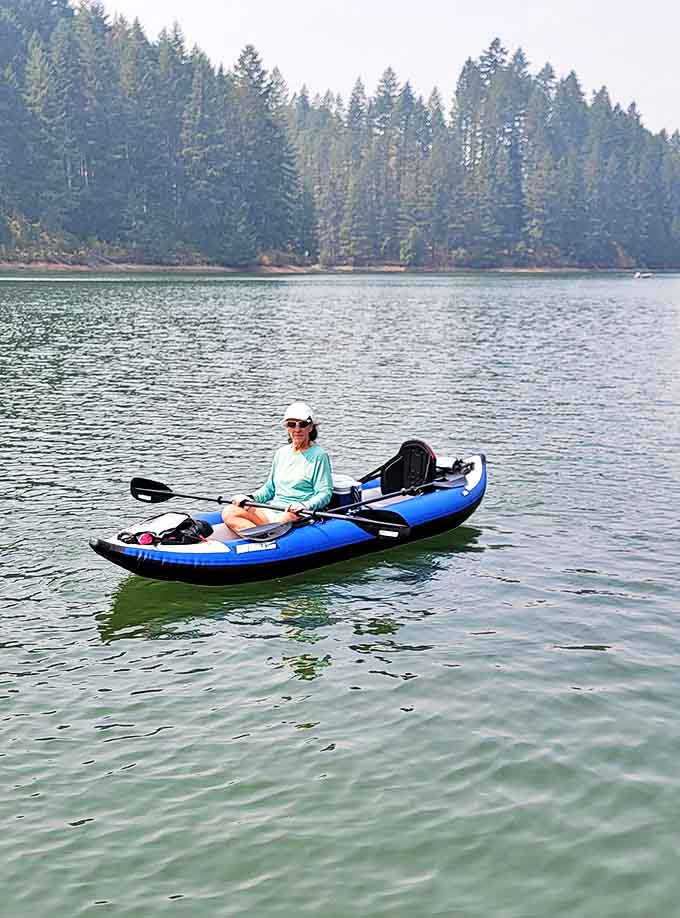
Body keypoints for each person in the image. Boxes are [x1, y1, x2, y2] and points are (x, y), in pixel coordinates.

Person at [222, 401, 333, 534]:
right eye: (292, 424)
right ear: (287, 427)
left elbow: (324, 493)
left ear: (310, 427)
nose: (297, 429)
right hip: (273, 509)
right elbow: (269, 489)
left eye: (302, 424)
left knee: (283, 520)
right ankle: (258, 538)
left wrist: (305, 505)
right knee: (229, 511)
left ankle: (263, 536)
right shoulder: (281, 453)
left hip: (297, 513)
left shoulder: (319, 455)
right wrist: (249, 498)